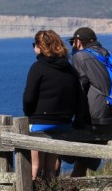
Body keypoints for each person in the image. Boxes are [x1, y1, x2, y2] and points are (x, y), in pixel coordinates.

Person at [68, 27, 112, 177]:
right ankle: (72, 189)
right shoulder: (109, 55)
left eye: (72, 42)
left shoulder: (80, 57)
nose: (72, 46)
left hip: (94, 119)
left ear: (78, 42)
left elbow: (80, 87)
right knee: (84, 159)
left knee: (58, 148)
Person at [23, 30, 82, 181]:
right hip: (64, 123)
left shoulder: (38, 67)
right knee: (50, 167)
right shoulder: (69, 68)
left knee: (35, 166)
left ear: (40, 46)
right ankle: (52, 190)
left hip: (40, 123)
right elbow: (78, 97)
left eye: (34, 45)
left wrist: (30, 115)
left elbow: (28, 98)